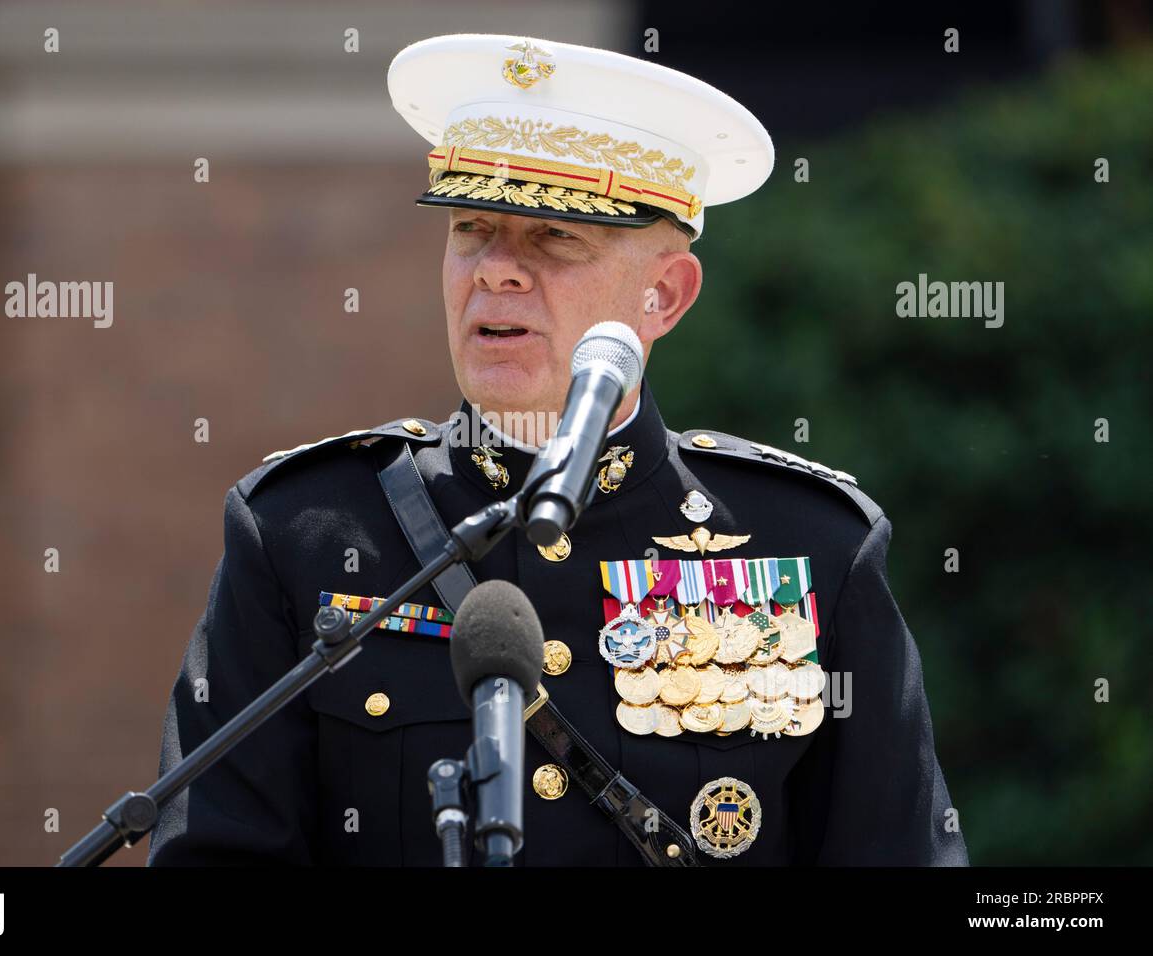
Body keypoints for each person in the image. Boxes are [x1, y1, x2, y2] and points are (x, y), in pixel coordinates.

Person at [147, 33, 969, 866]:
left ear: (666, 294)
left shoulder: (812, 544)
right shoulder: (306, 533)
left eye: (554, 238)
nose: (496, 271)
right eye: (472, 229)